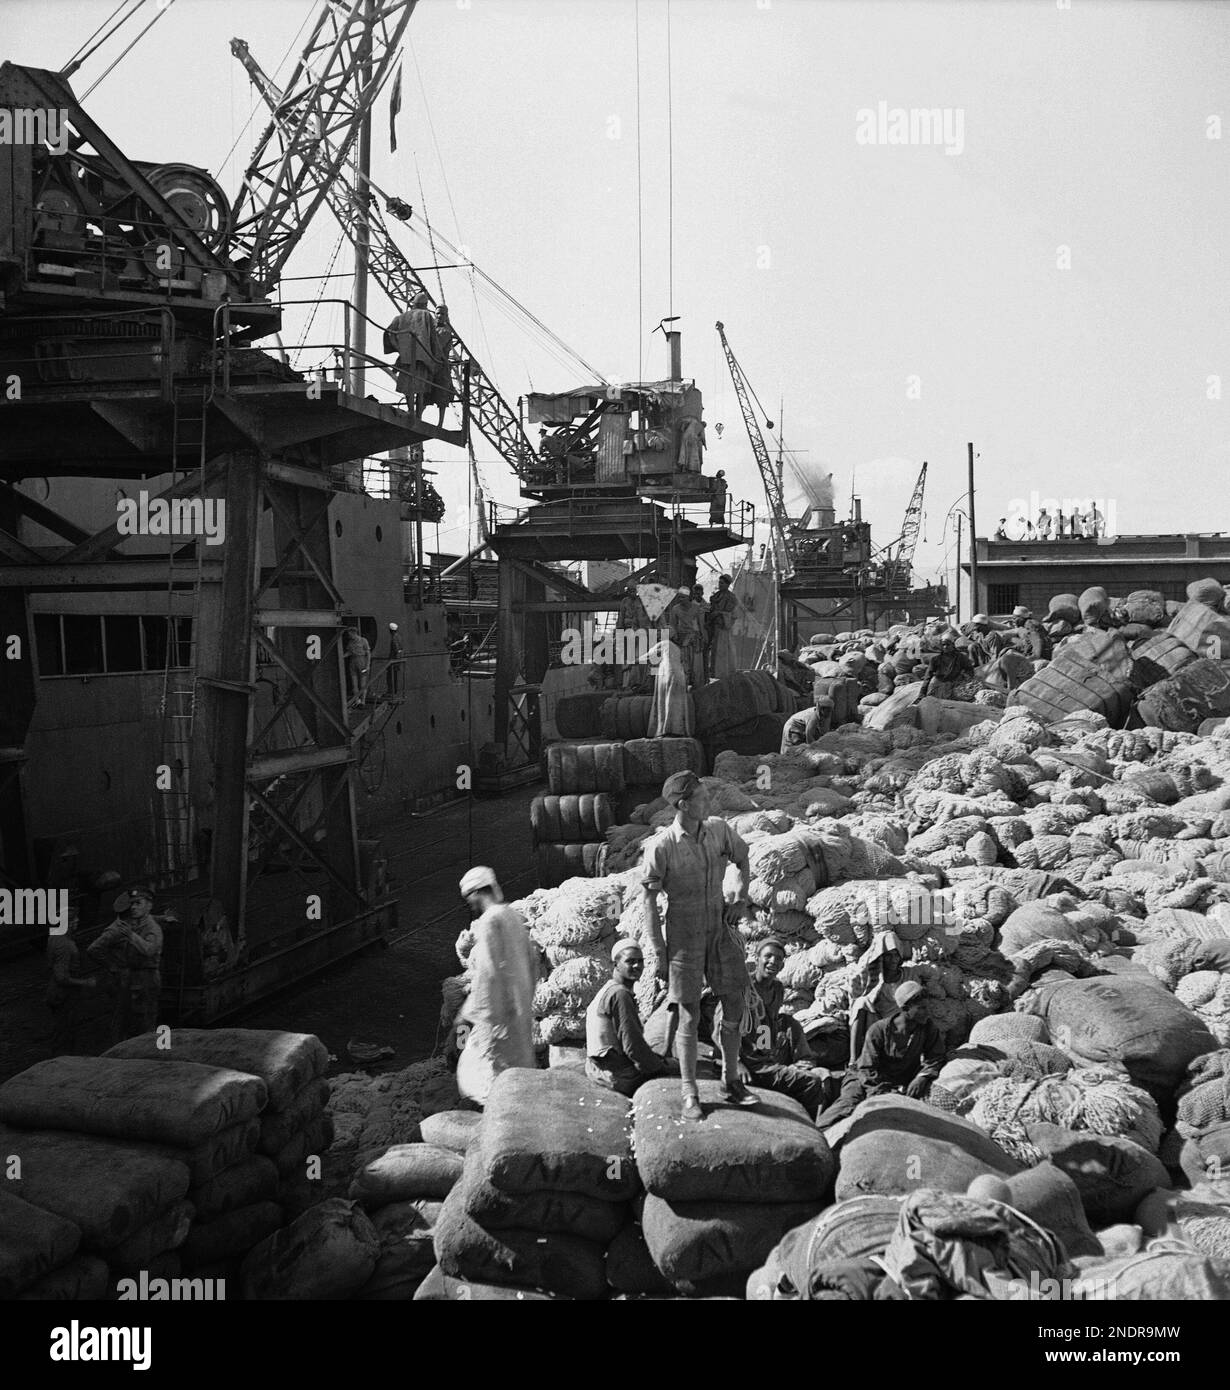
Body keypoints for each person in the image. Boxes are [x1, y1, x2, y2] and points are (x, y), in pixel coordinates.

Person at [641, 770, 756, 1120]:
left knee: (735, 1001)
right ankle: (689, 1091)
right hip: (684, 936)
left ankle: (730, 1079)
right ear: (684, 805)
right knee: (689, 1013)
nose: (709, 801)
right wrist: (660, 952)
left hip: (718, 928)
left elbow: (743, 856)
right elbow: (649, 901)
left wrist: (741, 893)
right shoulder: (661, 846)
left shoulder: (718, 829)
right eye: (702, 798)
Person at [456, 866, 539, 1106]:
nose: (469, 903)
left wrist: (466, 1017)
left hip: (498, 1014)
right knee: (520, 1069)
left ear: (477, 892)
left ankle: (500, 1120)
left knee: (493, 1076)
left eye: (469, 897)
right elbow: (532, 961)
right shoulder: (511, 915)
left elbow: (487, 973)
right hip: (519, 1009)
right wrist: (525, 999)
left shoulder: (490, 921)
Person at [815, 981, 945, 1130]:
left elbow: (936, 1056)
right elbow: (867, 1069)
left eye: (927, 1007)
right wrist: (883, 1094)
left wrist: (922, 1077)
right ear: (905, 1009)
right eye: (921, 1008)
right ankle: (817, 1134)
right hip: (862, 1079)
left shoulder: (927, 1028)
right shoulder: (879, 1030)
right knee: (848, 1105)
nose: (927, 1012)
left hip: (895, 1083)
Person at [739, 940, 832, 1118]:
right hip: (747, 1059)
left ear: (783, 965)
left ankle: (803, 1062)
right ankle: (815, 1127)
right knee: (812, 1082)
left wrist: (768, 1052)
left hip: (762, 1052)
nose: (773, 961)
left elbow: (766, 1026)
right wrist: (736, 1063)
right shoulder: (742, 988)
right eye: (768, 956)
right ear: (757, 959)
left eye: (778, 959)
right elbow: (721, 1027)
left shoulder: (777, 989)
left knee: (789, 1022)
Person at [585, 939, 670, 1095]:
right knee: (676, 1067)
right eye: (630, 961)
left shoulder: (609, 988)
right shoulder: (620, 994)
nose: (637, 966)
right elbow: (632, 1046)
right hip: (616, 1075)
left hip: (596, 1067)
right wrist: (659, 1066)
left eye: (640, 961)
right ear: (615, 965)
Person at [87, 884, 163, 1044]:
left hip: (147, 977)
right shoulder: (121, 928)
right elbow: (93, 949)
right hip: (129, 977)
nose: (134, 908)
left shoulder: (150, 928)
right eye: (132, 904)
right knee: (127, 1017)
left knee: (145, 1018)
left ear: (149, 905)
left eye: (138, 903)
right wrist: (112, 965)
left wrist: (131, 935)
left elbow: (149, 949)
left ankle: (146, 1051)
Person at [847, 930, 906, 1064]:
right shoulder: (873, 978)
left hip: (899, 1025)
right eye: (888, 956)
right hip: (876, 1022)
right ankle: (853, 1060)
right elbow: (855, 988)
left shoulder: (907, 975)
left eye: (896, 955)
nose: (893, 960)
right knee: (861, 1003)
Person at [383, 291, 441, 420]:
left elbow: (389, 332)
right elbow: (433, 339)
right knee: (420, 388)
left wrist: (398, 348)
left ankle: (411, 411)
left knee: (407, 387)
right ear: (425, 304)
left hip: (405, 358)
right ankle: (418, 415)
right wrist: (437, 357)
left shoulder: (400, 317)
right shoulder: (426, 315)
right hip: (422, 358)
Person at [45, 914, 98, 1054]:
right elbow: (61, 977)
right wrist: (85, 982)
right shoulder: (65, 945)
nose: (77, 922)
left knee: (61, 1028)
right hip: (64, 995)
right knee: (65, 1030)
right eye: (74, 920)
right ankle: (61, 1060)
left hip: (56, 992)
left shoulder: (54, 938)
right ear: (67, 923)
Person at [646, 638, 693, 737]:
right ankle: (678, 729)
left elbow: (649, 656)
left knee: (666, 701)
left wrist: (633, 661)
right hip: (679, 674)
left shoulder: (662, 643)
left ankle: (666, 729)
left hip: (668, 673)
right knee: (677, 702)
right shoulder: (677, 648)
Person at [707, 574, 738, 679]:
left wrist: (719, 614)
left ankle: (723, 673)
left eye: (722, 583)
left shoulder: (731, 598)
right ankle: (714, 672)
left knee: (724, 650)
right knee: (714, 650)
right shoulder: (715, 596)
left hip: (724, 627)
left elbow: (732, 615)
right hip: (714, 628)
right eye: (719, 583)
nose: (719, 585)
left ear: (727, 584)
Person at [430, 304, 455, 427]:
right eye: (438, 313)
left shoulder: (445, 332)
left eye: (442, 314)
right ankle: (418, 415)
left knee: (442, 394)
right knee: (423, 392)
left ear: (446, 316)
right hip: (430, 362)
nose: (439, 316)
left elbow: (437, 348)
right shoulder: (430, 328)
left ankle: (440, 422)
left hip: (441, 365)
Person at [343, 626, 372, 707]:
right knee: (354, 684)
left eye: (350, 634)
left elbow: (368, 653)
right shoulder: (350, 642)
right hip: (353, 661)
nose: (349, 636)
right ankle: (357, 701)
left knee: (363, 684)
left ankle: (363, 701)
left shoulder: (363, 641)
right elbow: (349, 652)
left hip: (362, 661)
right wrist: (342, 656)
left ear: (354, 633)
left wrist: (367, 665)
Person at [386, 622, 403, 696]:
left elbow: (396, 649)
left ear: (390, 630)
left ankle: (391, 691)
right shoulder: (399, 636)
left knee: (390, 676)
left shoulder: (394, 638)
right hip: (397, 659)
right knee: (394, 676)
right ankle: (394, 691)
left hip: (393, 660)